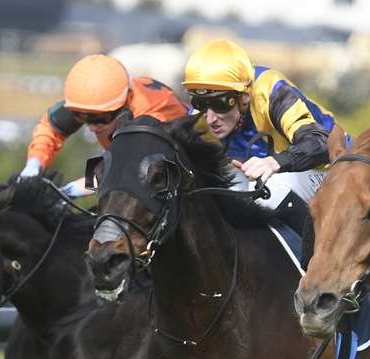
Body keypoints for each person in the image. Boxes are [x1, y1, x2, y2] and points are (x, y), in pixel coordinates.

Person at [182, 38, 345, 232]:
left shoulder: (271, 91)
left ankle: (316, 257)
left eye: (220, 104)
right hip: (268, 176)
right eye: (201, 103)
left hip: (328, 169)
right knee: (215, 196)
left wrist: (273, 162)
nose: (210, 119)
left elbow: (319, 143)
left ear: (244, 97)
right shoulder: (199, 119)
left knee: (270, 189)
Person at [20, 54, 187, 196]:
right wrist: (34, 165)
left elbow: (118, 168)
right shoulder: (93, 103)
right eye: (83, 117)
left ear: (123, 105)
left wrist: (67, 193)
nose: (92, 127)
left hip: (181, 164)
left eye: (100, 119)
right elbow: (50, 128)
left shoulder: (147, 116)